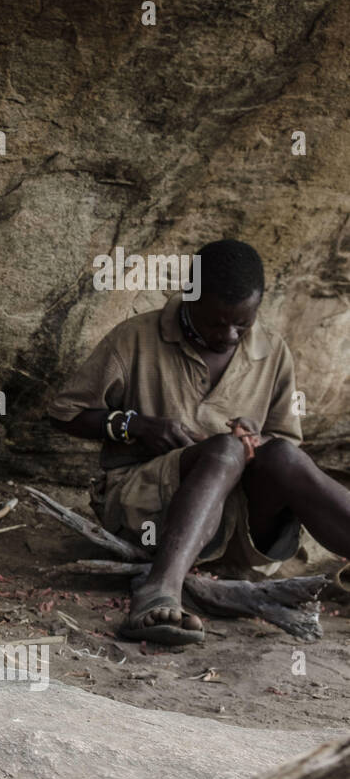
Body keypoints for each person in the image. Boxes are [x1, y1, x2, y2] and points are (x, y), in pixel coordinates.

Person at [48, 239, 350, 644]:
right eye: (216, 322)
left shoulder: (272, 350)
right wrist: (133, 425)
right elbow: (64, 413)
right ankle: (159, 591)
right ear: (190, 297)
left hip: (237, 527)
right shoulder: (135, 338)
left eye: (242, 323)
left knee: (282, 456)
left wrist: (256, 442)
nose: (229, 335)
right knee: (223, 451)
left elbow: (285, 439)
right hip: (147, 509)